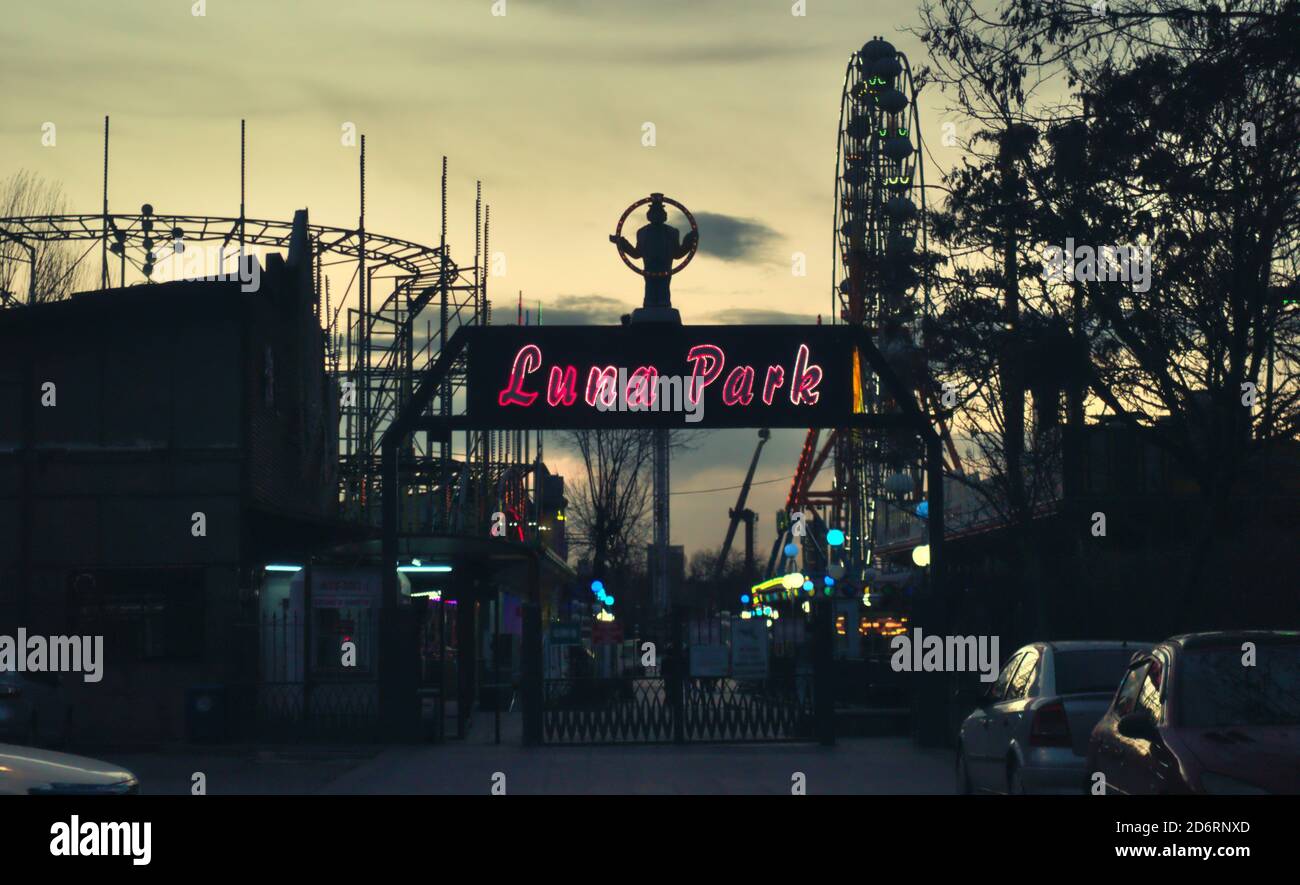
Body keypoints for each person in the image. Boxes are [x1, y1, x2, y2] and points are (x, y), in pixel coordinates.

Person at [610, 196, 697, 309]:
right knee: (650, 291)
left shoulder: (672, 232)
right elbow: (637, 253)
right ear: (649, 215)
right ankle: (650, 307)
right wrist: (621, 242)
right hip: (649, 268)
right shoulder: (642, 232)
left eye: (660, 213)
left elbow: (677, 254)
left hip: (665, 268)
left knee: (663, 291)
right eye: (654, 213)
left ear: (664, 215)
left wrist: (690, 240)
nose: (657, 216)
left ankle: (663, 307)